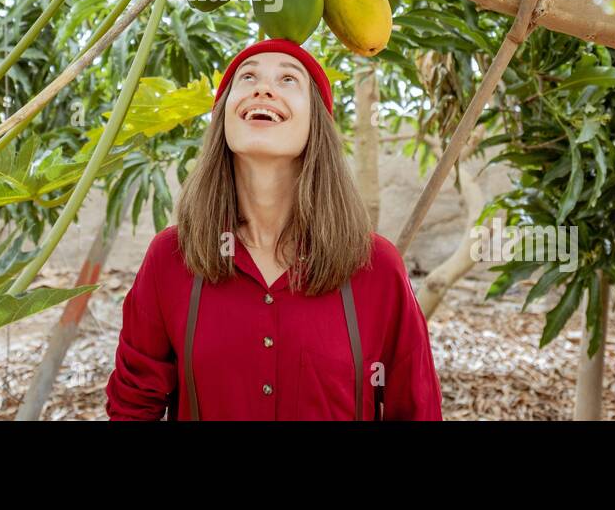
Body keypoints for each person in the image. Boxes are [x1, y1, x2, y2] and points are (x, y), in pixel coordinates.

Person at [104, 38, 443, 420]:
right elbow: (133, 407)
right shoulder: (170, 259)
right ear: (223, 119)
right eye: (247, 77)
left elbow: (416, 410)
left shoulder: (377, 267)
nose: (263, 88)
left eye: (288, 79)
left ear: (318, 122)